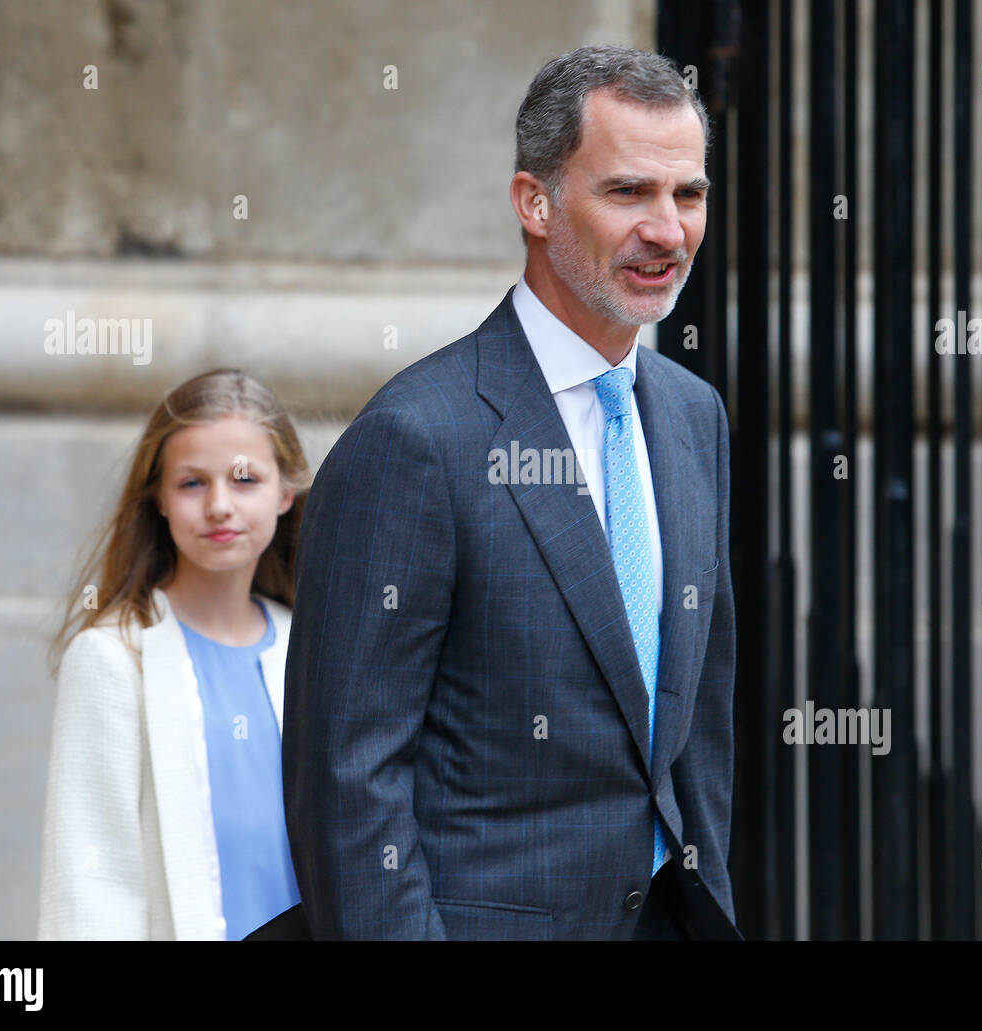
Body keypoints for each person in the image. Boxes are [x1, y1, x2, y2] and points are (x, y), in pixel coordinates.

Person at [283, 44, 740, 940]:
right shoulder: (416, 438)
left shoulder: (694, 417)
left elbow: (700, 730)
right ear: (536, 203)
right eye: (627, 192)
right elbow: (346, 780)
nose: (667, 229)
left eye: (687, 194)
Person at [39, 368, 312, 940]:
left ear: (285, 492)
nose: (218, 506)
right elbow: (90, 881)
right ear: (158, 498)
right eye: (191, 483)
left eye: (244, 480)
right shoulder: (114, 659)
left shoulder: (311, 646)